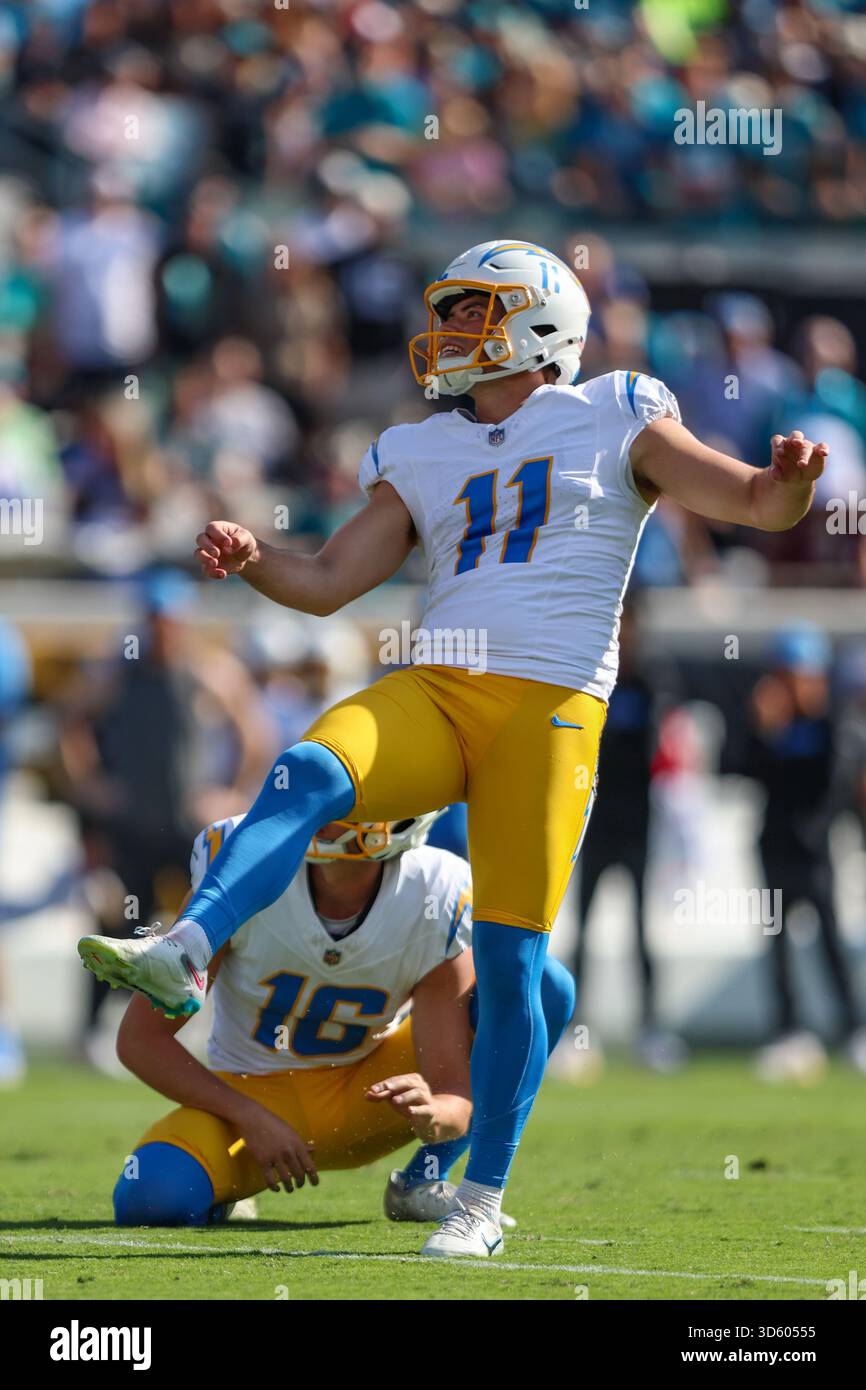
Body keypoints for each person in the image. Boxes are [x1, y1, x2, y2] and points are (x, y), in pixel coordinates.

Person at [79, 239, 828, 1258]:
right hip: (440, 684)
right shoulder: (419, 446)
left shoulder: (614, 410)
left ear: (538, 323)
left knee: (514, 961)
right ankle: (187, 949)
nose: (450, 334)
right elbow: (332, 578)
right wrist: (259, 560)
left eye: (474, 312)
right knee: (309, 768)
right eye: (451, 313)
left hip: (550, 703)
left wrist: (785, 486)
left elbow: (745, 498)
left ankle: (476, 1197)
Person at [112, 810, 575, 1233]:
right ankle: (233, 1187)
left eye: (350, 789)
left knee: (541, 986)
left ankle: (424, 1179)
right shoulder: (246, 861)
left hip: (373, 1094)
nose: (328, 802)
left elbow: (454, 1092)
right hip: (250, 1100)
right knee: (150, 1199)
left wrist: (435, 1116)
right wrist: (248, 1115)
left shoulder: (435, 888)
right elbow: (141, 1039)